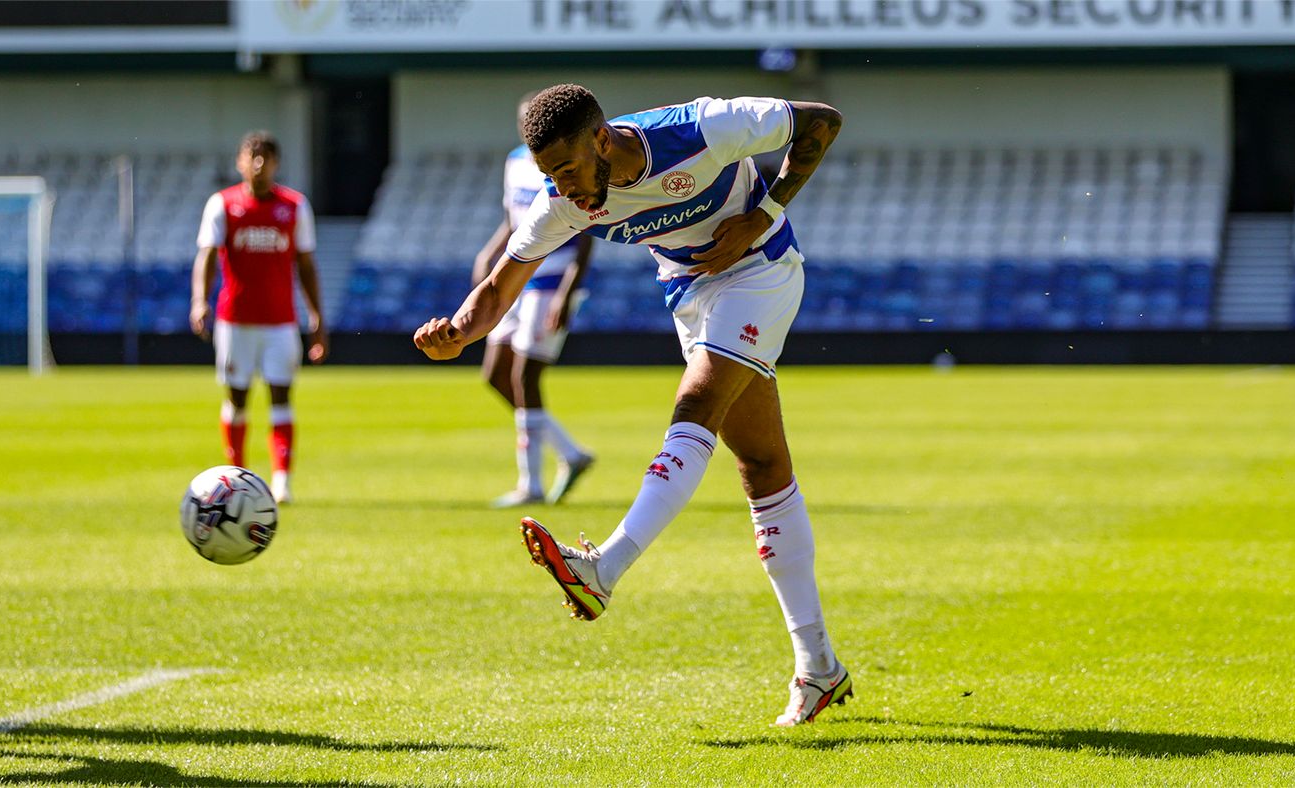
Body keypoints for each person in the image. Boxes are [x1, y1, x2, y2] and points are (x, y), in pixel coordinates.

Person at [414, 85, 849, 726]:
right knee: (761, 467)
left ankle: (603, 568)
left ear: (601, 140)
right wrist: (455, 330)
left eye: (565, 170)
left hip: (760, 272)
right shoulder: (563, 201)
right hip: (690, 298)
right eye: (546, 175)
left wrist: (765, 213)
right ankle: (820, 670)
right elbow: (501, 284)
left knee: (694, 404)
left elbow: (821, 121)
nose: (560, 187)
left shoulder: (701, 129)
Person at [190, 131, 327, 504]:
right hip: (234, 321)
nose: (259, 164)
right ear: (239, 162)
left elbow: (306, 265)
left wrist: (317, 318)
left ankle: (282, 481)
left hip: (281, 321)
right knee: (237, 398)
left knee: (281, 394)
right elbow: (206, 255)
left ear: (277, 163)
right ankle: (237, 477)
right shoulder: (222, 204)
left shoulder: (295, 207)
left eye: (266, 156)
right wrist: (200, 300)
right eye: (252, 156)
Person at [476, 95, 597, 508]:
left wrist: (568, 289)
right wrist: (489, 255)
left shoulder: (567, 163)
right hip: (518, 280)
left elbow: (585, 233)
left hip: (551, 281)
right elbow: (513, 220)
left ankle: (532, 484)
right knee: (495, 374)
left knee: (526, 376)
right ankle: (570, 453)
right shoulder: (514, 162)